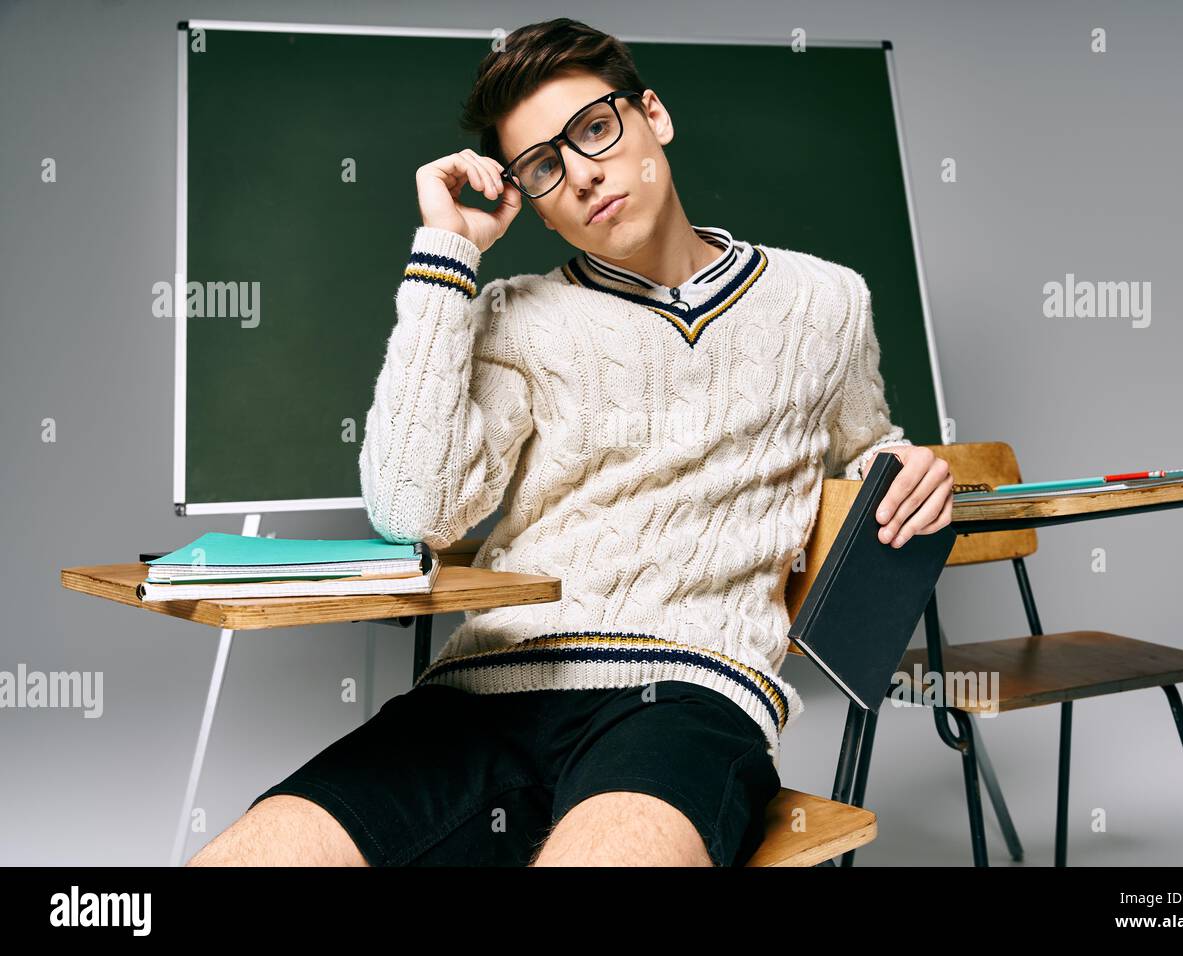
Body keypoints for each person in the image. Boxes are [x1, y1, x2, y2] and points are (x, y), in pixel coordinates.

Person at [187, 16, 953, 868]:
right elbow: (413, 510)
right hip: (483, 693)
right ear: (535, 206)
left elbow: (867, 447)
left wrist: (905, 464)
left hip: (685, 695)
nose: (583, 174)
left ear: (652, 116)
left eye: (595, 129)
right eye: (545, 167)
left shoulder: (828, 301)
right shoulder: (515, 315)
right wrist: (447, 252)